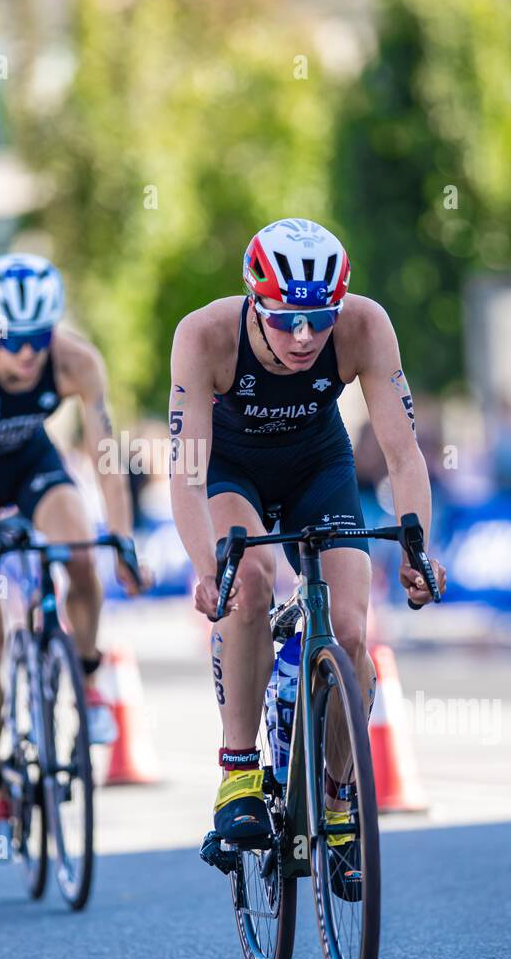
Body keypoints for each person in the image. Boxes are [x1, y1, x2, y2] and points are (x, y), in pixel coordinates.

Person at [169, 218, 446, 883]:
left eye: (318, 319)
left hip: (319, 467)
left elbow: (404, 453)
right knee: (250, 581)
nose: (303, 337)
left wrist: (415, 547)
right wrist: (208, 567)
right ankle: (238, 770)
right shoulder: (204, 335)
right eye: (284, 319)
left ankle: (335, 795)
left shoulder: (365, 326)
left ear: (339, 305)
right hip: (232, 471)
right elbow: (185, 470)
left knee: (351, 632)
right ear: (253, 303)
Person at [0, 253, 146, 861]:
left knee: (82, 555)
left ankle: (85, 672)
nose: (27, 355)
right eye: (11, 341)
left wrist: (124, 538)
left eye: (38, 339)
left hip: (33, 466)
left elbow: (107, 459)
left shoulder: (77, 360)